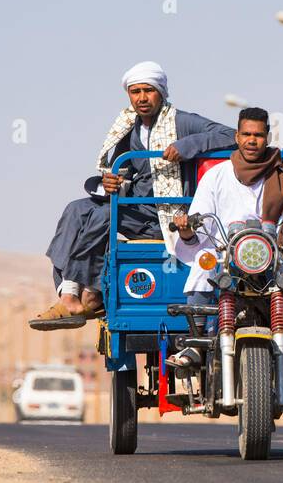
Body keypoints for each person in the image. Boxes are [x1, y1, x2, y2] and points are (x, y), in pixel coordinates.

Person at [30, 61, 235, 330]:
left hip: (165, 211)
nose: (141, 98)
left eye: (147, 91)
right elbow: (122, 171)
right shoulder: (130, 126)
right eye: (135, 91)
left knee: (104, 215)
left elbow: (230, 134)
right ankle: (69, 294)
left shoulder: (182, 122)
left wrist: (188, 145)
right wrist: (112, 180)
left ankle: (89, 294)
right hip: (135, 204)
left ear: (161, 92)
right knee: (75, 210)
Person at [170, 107, 283, 395]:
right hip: (225, 255)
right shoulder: (216, 176)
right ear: (237, 136)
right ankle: (195, 347)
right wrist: (186, 227)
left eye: (258, 135)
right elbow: (200, 222)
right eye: (246, 134)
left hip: (272, 257)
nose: (252, 140)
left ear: (267, 138)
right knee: (201, 268)